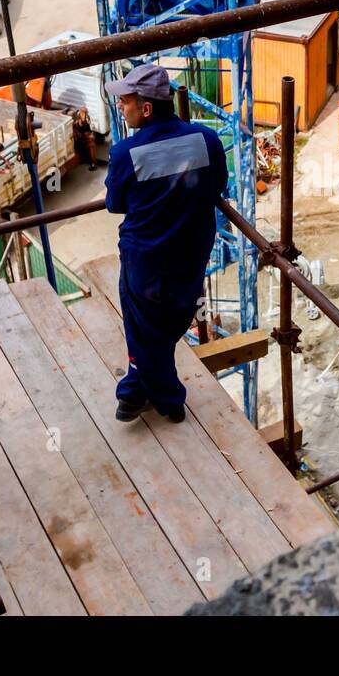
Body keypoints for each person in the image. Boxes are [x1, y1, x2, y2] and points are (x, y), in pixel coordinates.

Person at [103, 63, 227, 423]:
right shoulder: (207, 140)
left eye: (125, 102)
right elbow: (216, 185)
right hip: (191, 255)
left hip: (146, 261)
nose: (121, 108)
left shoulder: (126, 153)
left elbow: (116, 204)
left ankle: (168, 401)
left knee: (144, 328)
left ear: (146, 108)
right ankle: (132, 390)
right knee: (168, 323)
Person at [72, 108, 97, 172]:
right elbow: (75, 129)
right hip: (80, 140)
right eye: (83, 113)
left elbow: (90, 131)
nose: (85, 115)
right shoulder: (77, 123)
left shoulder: (87, 122)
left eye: (85, 113)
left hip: (85, 138)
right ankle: (82, 159)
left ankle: (92, 163)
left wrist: (89, 135)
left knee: (91, 144)